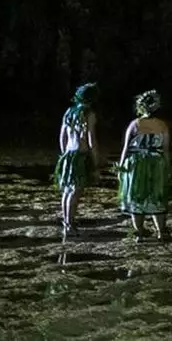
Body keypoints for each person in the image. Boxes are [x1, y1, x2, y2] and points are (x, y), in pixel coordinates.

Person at [116, 89, 172, 241]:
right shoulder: (162, 125)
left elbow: (126, 148)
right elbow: (166, 149)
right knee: (156, 196)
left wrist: (121, 168)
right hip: (156, 162)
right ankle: (161, 231)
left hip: (136, 164)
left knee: (136, 197)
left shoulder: (135, 124)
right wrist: (168, 167)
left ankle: (139, 233)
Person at [54, 82, 99, 237]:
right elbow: (91, 139)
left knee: (67, 190)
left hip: (68, 154)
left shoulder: (69, 112)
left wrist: (64, 155)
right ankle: (70, 223)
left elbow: (62, 136)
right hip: (80, 155)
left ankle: (66, 221)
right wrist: (95, 161)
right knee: (76, 191)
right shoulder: (89, 114)